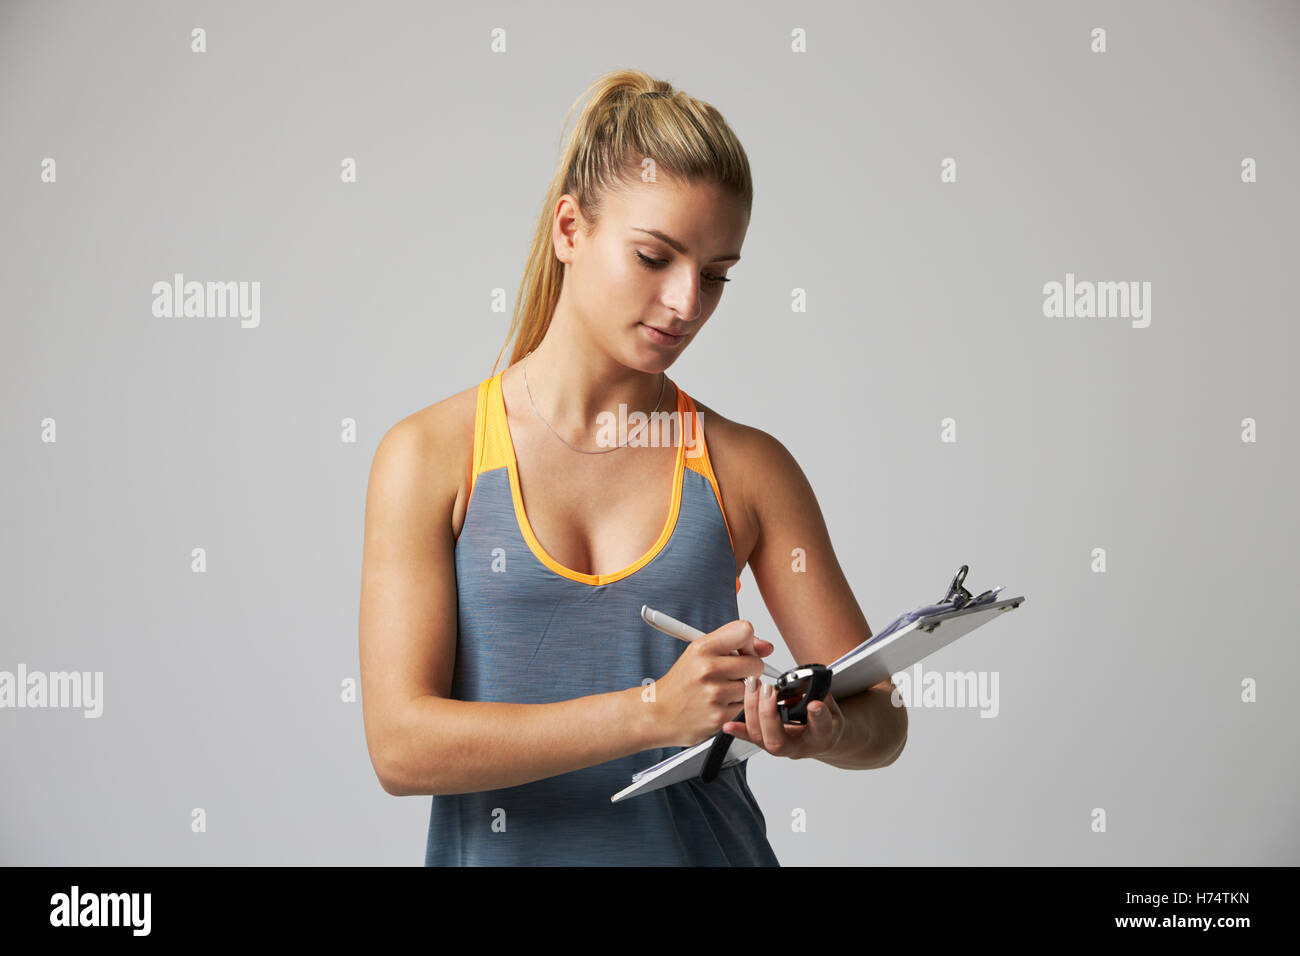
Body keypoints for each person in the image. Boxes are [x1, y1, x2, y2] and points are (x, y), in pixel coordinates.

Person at [358, 68, 908, 866]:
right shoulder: (429, 457)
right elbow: (401, 748)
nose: (687, 302)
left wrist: (823, 728)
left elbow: (882, 722)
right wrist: (653, 710)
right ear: (570, 230)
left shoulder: (747, 469)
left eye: (716, 274)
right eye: (655, 256)